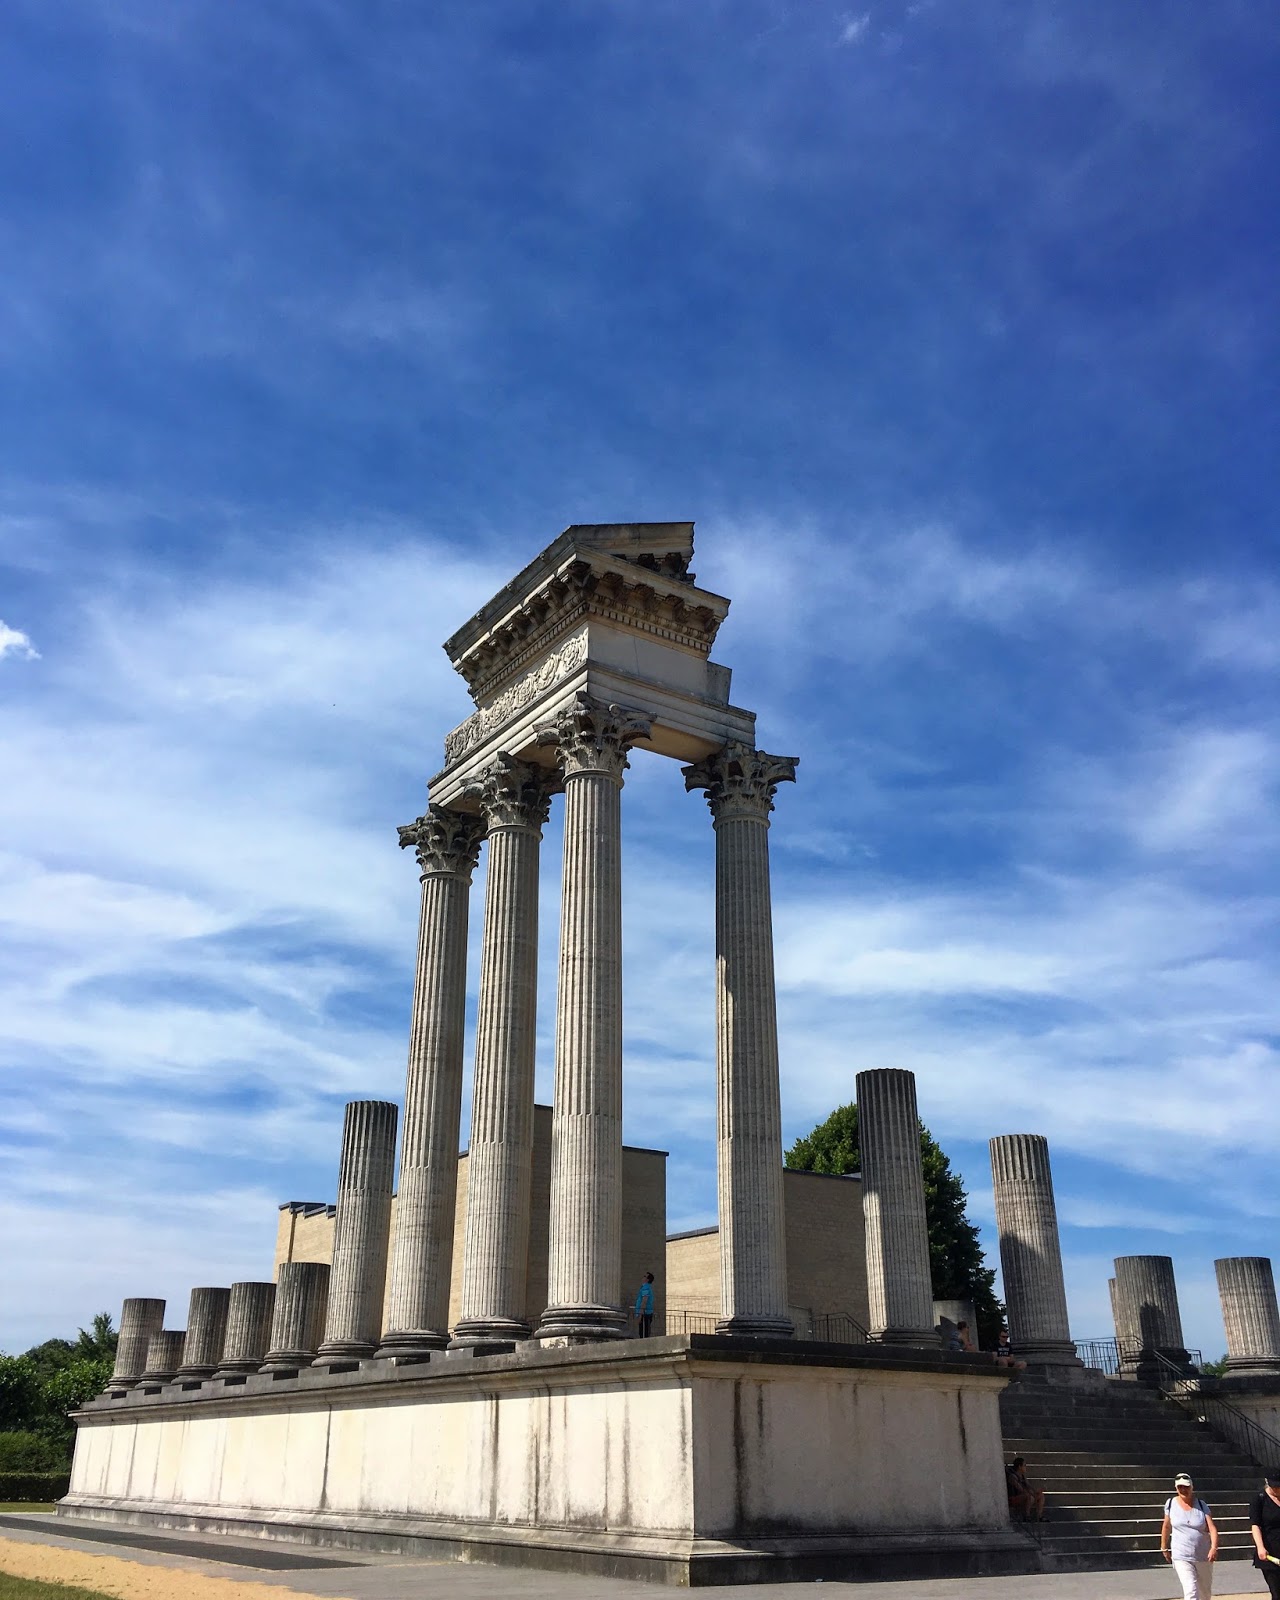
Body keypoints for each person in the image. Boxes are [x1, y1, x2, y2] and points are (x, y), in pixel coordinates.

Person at [1161, 1472, 1218, 1600]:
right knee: (1191, 1590)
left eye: (1186, 1487)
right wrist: (1164, 1547)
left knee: (1204, 1593)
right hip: (1181, 1555)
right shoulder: (1170, 1504)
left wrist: (1214, 1547)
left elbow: (1212, 1528)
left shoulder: (1202, 1505)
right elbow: (1166, 1526)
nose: (1183, 1490)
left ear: (1192, 1487)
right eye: (1180, 1487)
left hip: (1203, 1556)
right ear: (1176, 1488)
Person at [1250, 1467, 1280, 1597]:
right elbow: (1255, 1525)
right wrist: (1260, 1547)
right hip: (1270, 1553)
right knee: (1277, 1593)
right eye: (1275, 1486)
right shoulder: (1259, 1499)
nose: (1277, 1489)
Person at [1006, 1457, 1046, 1522]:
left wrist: (1037, 1491)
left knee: (1041, 1495)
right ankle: (1027, 1515)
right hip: (1013, 1498)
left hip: (1023, 1496)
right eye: (1024, 1465)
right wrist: (1031, 1493)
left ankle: (1039, 1516)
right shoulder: (1012, 1477)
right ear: (1019, 1466)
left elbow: (1029, 1486)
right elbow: (1020, 1489)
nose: (1025, 1467)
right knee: (1029, 1496)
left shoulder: (1023, 1476)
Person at [634, 1272, 655, 1338]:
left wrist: (640, 1314)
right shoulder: (646, 1287)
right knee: (644, 1331)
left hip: (645, 1313)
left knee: (643, 1332)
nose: (642, 1277)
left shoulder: (645, 1287)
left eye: (644, 1276)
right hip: (646, 1313)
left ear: (647, 1279)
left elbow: (644, 1301)